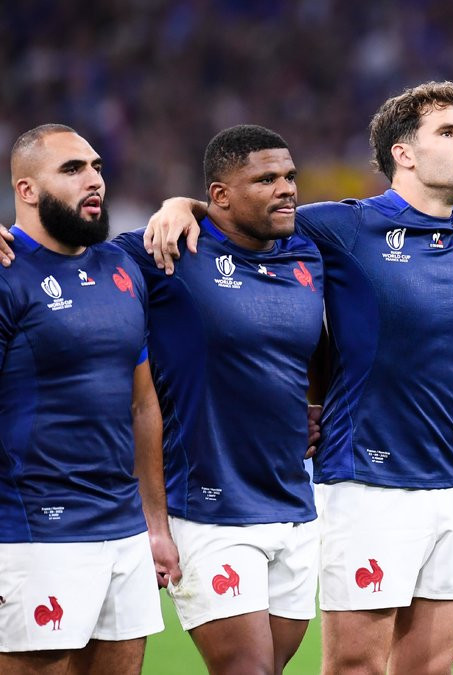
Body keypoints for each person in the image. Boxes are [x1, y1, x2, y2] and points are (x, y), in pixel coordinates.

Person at [143, 81, 453, 674]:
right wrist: (183, 206)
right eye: (448, 132)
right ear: (404, 154)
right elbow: (249, 216)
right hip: (365, 479)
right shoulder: (343, 227)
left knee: (432, 666)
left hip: (451, 482)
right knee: (358, 665)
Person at [111, 124, 326, 674]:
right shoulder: (167, 252)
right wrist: (177, 206)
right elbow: (70, 259)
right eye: (266, 179)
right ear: (221, 195)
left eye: (290, 176)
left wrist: (316, 402)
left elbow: (331, 344)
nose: (287, 189)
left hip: (294, 507)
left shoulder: (308, 252)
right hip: (206, 507)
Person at [0, 124, 163, 674]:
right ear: (26, 190)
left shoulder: (121, 268)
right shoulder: (5, 274)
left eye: (96, 167)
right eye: (72, 170)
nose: (93, 180)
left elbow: (142, 406)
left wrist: (154, 524)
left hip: (122, 527)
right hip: (34, 529)